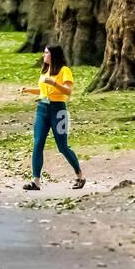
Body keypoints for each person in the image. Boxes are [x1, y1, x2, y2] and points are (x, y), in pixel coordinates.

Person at [21, 45, 85, 190]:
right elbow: (43, 91)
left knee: (62, 147)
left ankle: (79, 176)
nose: (43, 55)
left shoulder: (64, 70)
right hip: (42, 109)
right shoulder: (45, 70)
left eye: (46, 53)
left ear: (53, 55)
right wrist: (28, 90)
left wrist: (54, 83)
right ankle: (35, 181)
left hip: (58, 111)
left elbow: (68, 91)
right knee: (37, 144)